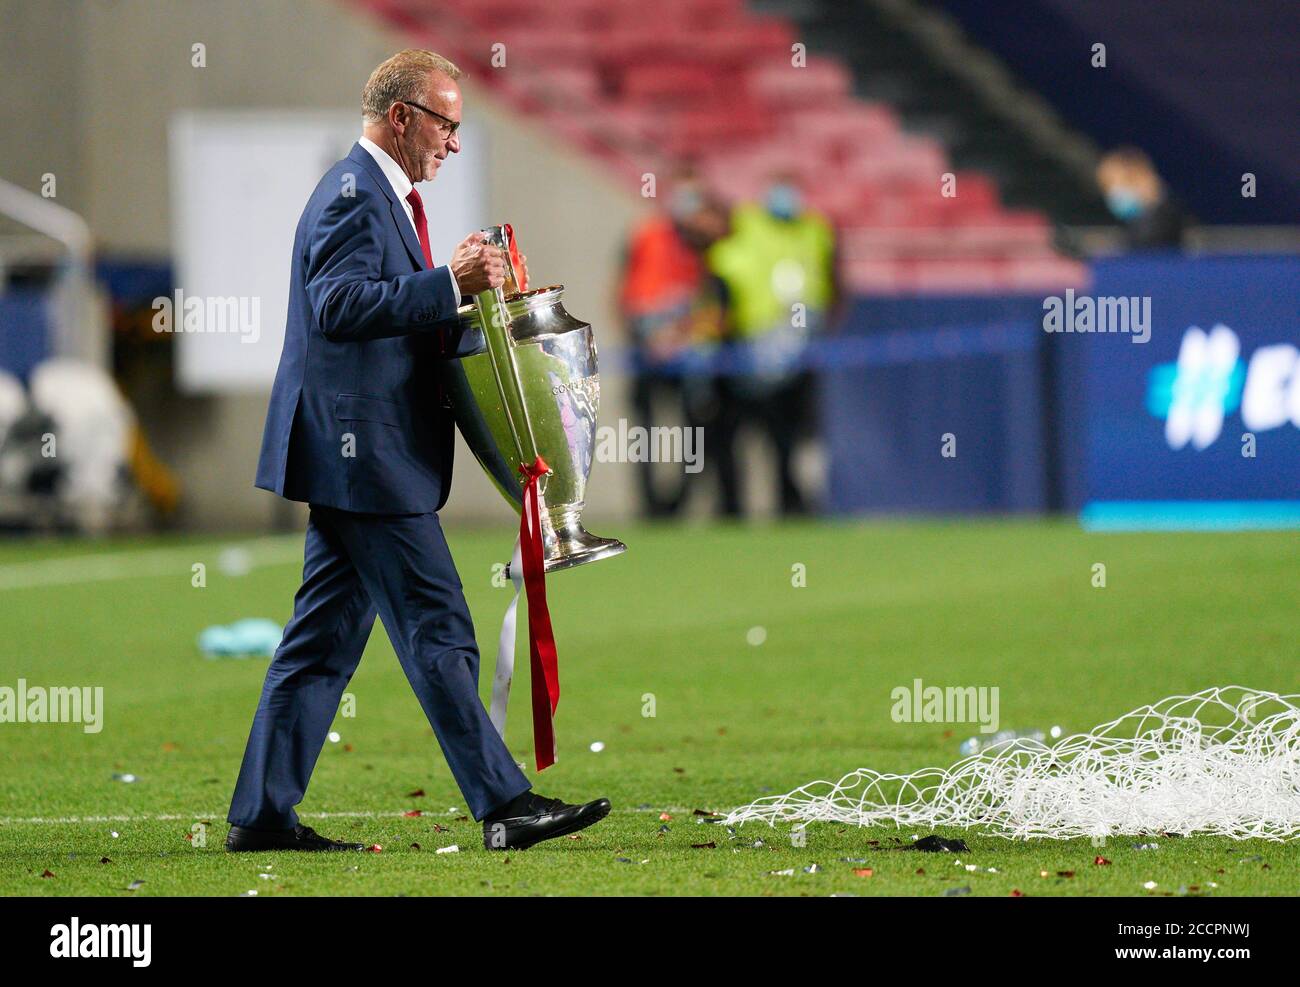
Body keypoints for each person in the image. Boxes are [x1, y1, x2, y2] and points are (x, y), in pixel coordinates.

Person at [226, 49, 609, 854]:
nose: (455, 143)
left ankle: (262, 814)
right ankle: (504, 803)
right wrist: (446, 280)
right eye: (447, 123)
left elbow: (380, 316)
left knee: (320, 642)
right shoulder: (354, 195)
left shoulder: (372, 197)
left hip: (353, 454)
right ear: (401, 117)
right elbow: (338, 306)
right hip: (366, 459)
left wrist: (476, 296)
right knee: (439, 626)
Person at [706, 174, 839, 517]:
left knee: (789, 436)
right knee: (730, 434)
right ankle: (731, 509)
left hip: (798, 352)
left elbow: (832, 281)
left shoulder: (815, 230)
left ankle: (792, 506)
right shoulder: (746, 223)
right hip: (745, 349)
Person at [617, 171, 727, 516]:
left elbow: (713, 297)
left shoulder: (707, 240)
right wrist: (642, 335)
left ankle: (682, 501)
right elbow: (625, 289)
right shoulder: (647, 235)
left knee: (693, 429)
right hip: (647, 347)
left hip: (690, 351)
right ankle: (652, 505)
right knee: (645, 432)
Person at [1096, 147, 1188, 250]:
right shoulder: (1136, 220)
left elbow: (1148, 245)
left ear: (1141, 178)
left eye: (1122, 182)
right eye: (1107, 187)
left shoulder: (1166, 216)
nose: (1113, 193)